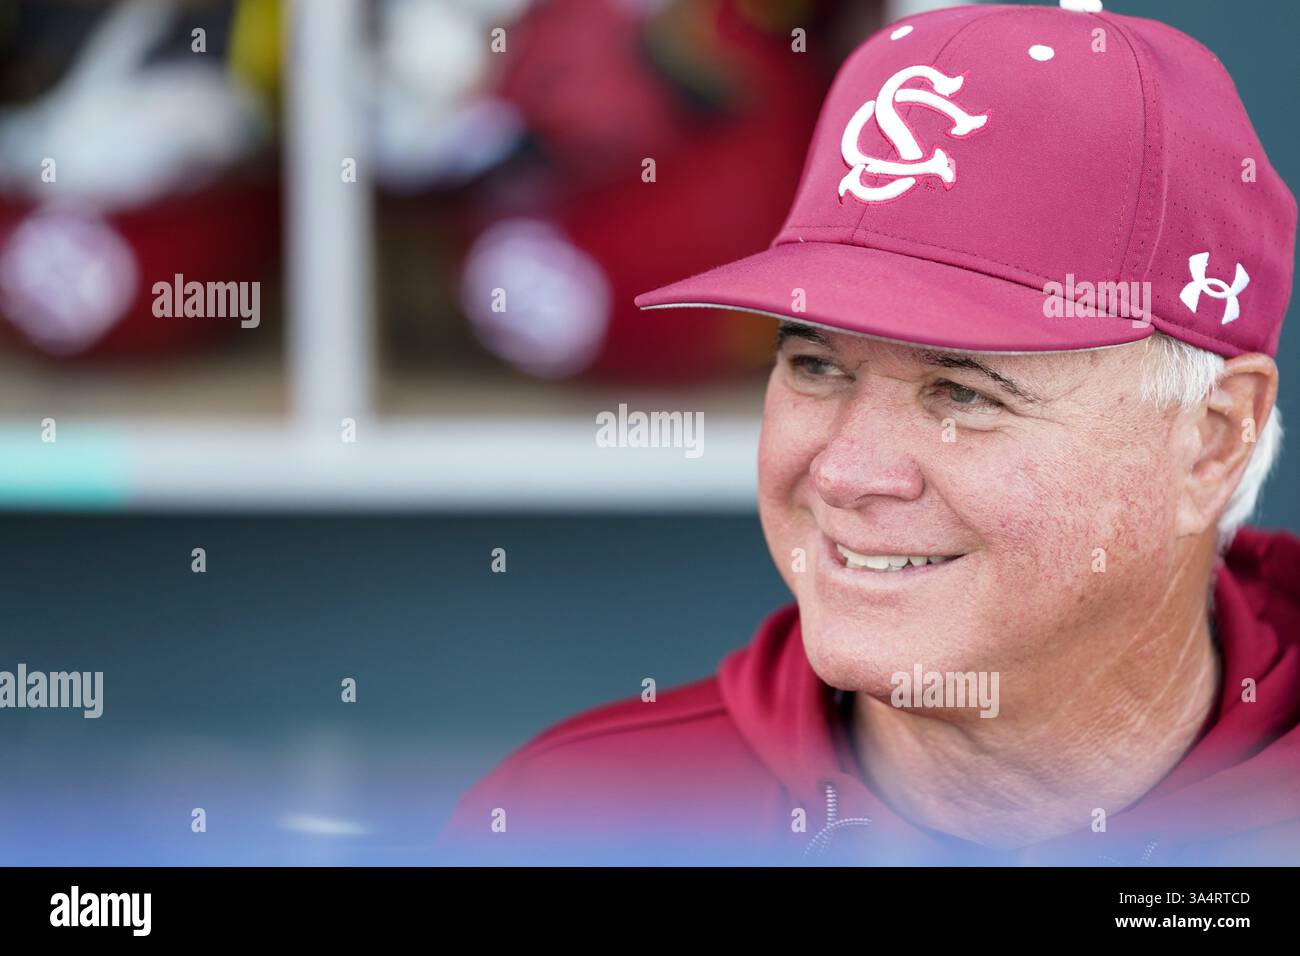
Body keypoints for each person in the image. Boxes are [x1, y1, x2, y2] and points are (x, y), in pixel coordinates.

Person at [436, 0, 1300, 865]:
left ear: (1211, 441)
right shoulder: (563, 825)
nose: (846, 472)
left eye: (962, 392)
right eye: (816, 367)